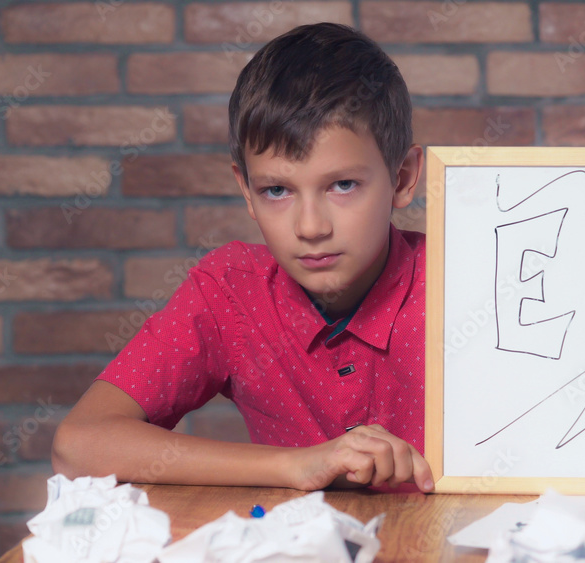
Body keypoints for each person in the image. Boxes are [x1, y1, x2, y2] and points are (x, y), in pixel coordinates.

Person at [51, 22, 434, 493]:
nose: (310, 227)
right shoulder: (230, 293)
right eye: (277, 190)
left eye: (342, 185)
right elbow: (79, 444)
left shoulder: (461, 282)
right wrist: (294, 467)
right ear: (246, 192)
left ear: (402, 178)